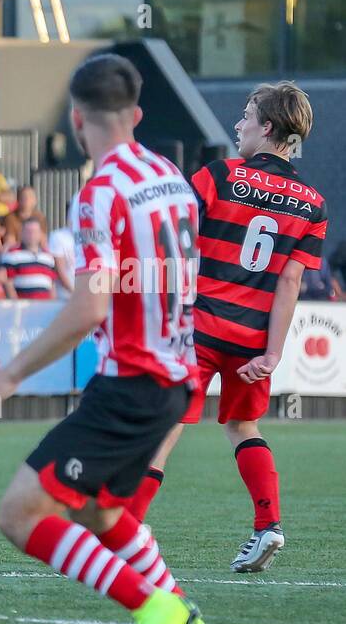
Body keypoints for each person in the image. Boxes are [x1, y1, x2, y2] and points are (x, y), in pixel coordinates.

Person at [0, 53, 214, 624]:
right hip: (176, 378)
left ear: (77, 121)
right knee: (104, 511)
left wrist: (9, 374)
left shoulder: (99, 193)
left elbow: (88, 310)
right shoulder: (172, 176)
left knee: (20, 513)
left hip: (132, 382)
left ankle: (153, 606)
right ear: (135, 114)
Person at [125, 81, 329, 575]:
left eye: (245, 115)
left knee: (167, 423)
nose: (238, 124)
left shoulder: (219, 175)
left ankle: (125, 529)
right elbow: (291, 281)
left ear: (267, 127)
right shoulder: (313, 204)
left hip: (197, 329)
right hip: (252, 341)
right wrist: (273, 354)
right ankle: (268, 526)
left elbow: (173, 242)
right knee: (242, 426)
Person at [0, 216, 58, 299]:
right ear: (21, 233)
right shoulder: (11, 255)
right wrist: (16, 307)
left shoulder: (48, 257)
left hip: (45, 307)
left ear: (40, 234)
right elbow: (8, 284)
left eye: (35, 231)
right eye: (28, 231)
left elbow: (52, 285)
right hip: (23, 307)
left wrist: (53, 305)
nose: (31, 235)